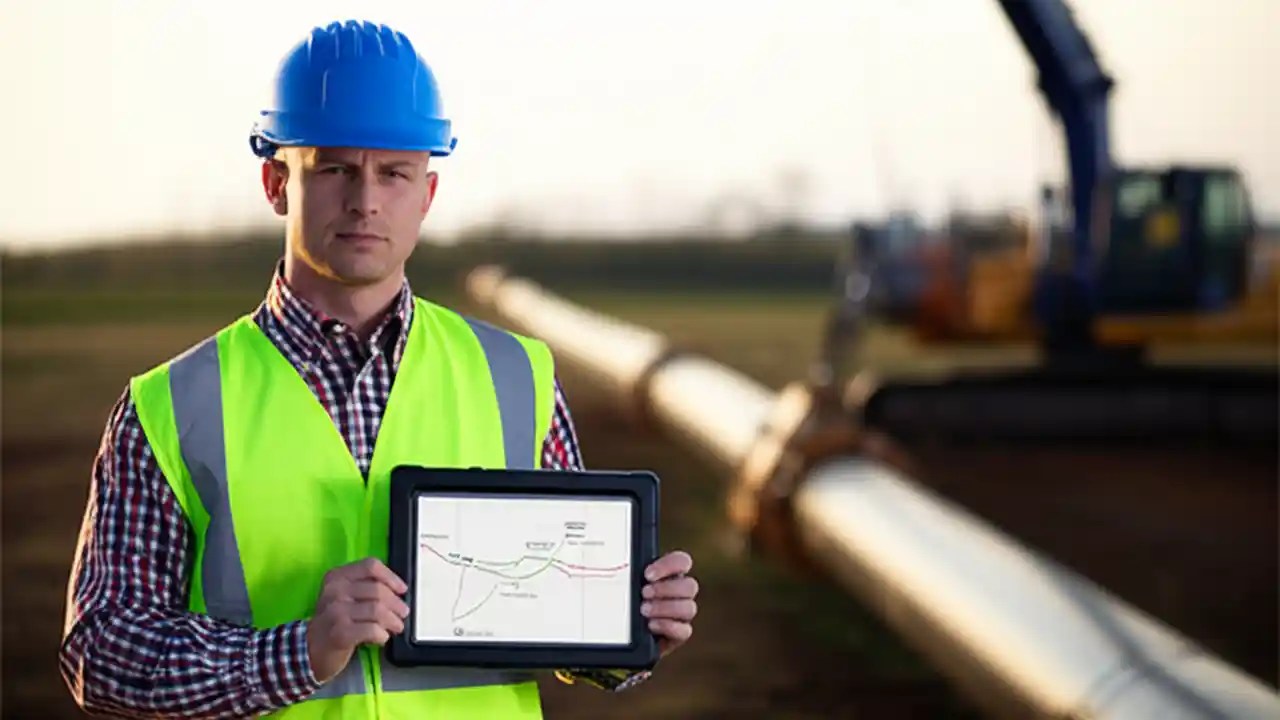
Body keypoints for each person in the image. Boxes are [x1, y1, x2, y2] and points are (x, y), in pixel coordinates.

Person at [59, 19, 699, 719]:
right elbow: (102, 652)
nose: (365, 200)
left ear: (426, 195)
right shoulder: (170, 406)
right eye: (335, 168)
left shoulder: (518, 378)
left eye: (394, 173)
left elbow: (554, 610)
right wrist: (298, 652)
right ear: (276, 183)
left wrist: (632, 629)